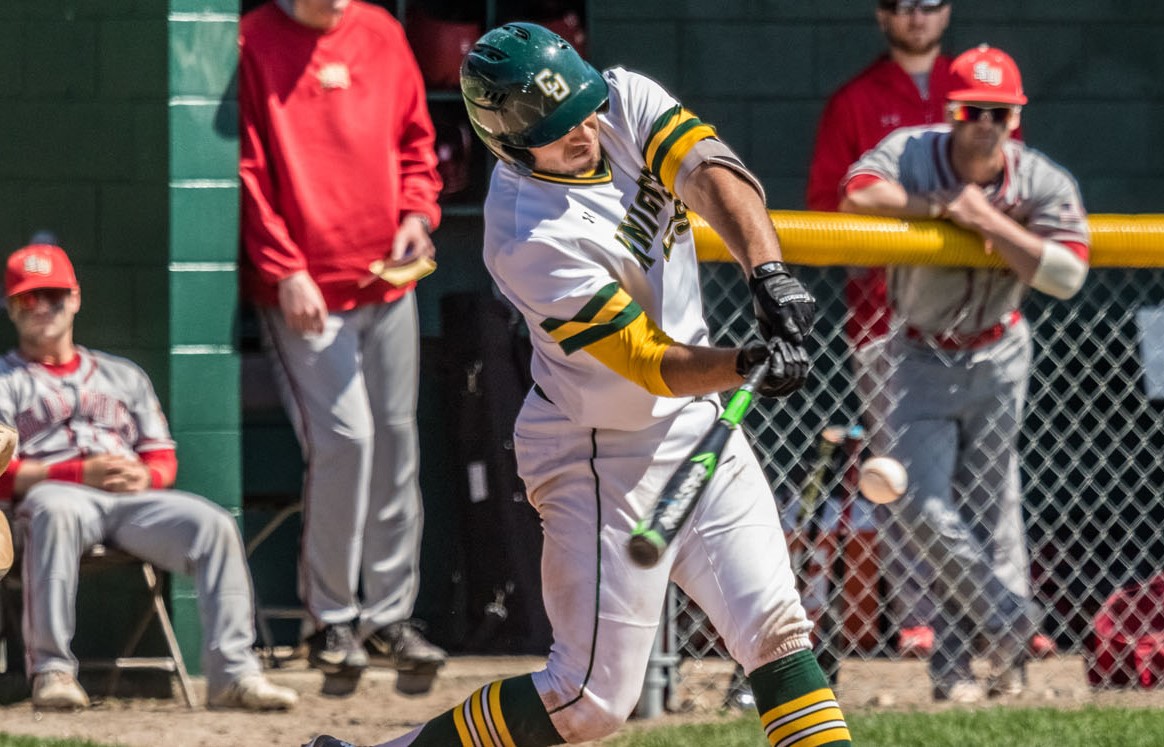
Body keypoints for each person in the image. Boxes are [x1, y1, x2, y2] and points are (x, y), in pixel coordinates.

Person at [307, 22, 852, 747]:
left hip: (694, 425)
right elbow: (651, 362)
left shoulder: (622, 99)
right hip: (599, 454)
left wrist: (769, 274)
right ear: (509, 144)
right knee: (587, 701)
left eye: (583, 111)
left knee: (777, 634)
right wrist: (747, 363)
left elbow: (712, 171)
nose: (583, 132)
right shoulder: (528, 238)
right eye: (556, 129)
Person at [837, 45, 1090, 702]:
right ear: (950, 112)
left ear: (1015, 119)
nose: (984, 124)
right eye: (972, 110)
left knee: (985, 513)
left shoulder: (1038, 177)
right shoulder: (914, 150)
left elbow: (1068, 274)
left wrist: (987, 222)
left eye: (997, 113)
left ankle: (960, 670)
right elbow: (857, 194)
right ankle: (1006, 617)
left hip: (999, 352)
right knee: (919, 505)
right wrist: (941, 206)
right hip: (920, 351)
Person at [238, 0, 448, 690]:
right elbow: (245, 170)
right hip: (305, 292)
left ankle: (389, 618)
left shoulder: (381, 32)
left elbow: (417, 140)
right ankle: (329, 619)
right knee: (346, 441)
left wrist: (417, 213)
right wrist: (283, 269)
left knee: (395, 443)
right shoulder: (253, 41)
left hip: (388, 281)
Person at [0, 241, 299, 712]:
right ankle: (52, 672)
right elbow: (1, 471)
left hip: (130, 500)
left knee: (214, 524)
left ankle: (234, 675)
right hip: (52, 494)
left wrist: (146, 477)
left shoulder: (123, 375)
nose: (41, 309)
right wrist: (78, 472)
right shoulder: (6, 380)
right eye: (26, 299)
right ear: (10, 308)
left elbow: (161, 457)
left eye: (52, 296)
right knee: (53, 511)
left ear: (75, 298)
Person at [804, 0, 953, 662]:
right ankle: (919, 614)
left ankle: (986, 608)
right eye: (901, 4)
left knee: (980, 467)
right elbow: (824, 209)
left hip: (970, 315)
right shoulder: (855, 100)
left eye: (929, 3)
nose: (916, 16)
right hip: (883, 318)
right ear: (881, 15)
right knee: (897, 470)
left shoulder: (974, 94)